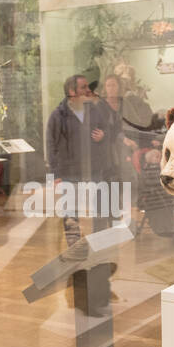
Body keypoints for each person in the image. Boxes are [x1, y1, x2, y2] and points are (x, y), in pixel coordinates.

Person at [45, 74, 118, 249]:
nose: (88, 90)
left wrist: (104, 136)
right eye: (83, 87)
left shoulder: (94, 110)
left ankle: (101, 243)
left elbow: (109, 131)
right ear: (72, 91)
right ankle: (75, 246)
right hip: (69, 173)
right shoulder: (58, 116)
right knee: (71, 211)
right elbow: (51, 145)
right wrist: (55, 175)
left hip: (94, 170)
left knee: (100, 206)